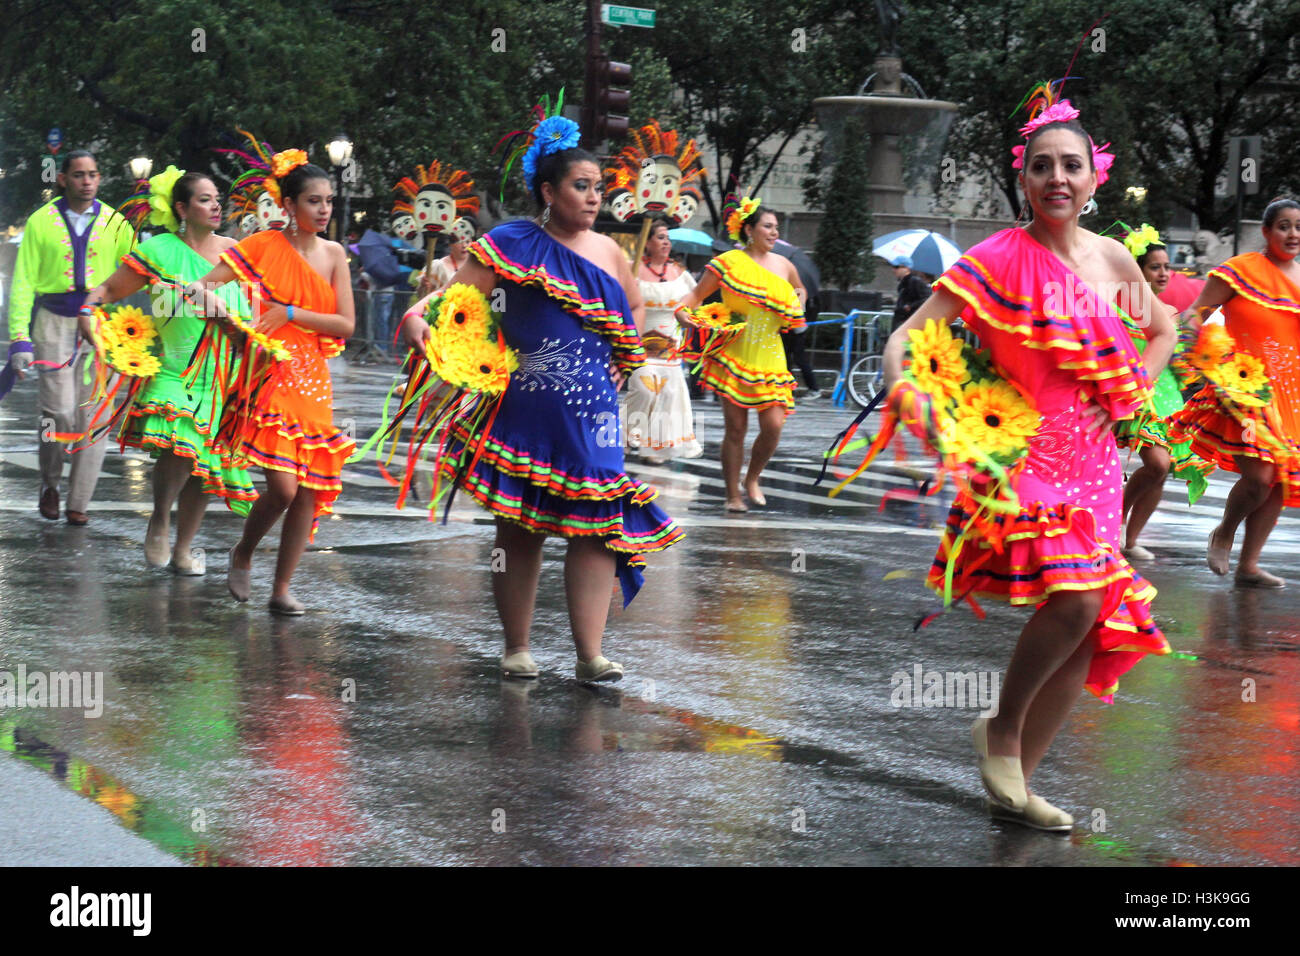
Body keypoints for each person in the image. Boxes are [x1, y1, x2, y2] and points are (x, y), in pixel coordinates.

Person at [884, 88, 1174, 831]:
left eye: (1071, 165)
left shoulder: (1111, 258)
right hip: (1023, 459)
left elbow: (1163, 327)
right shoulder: (998, 259)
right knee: (1077, 598)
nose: (1058, 178)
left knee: (1089, 616)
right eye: (1042, 166)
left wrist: (1135, 393)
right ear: (1025, 180)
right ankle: (1004, 727)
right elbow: (911, 337)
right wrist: (905, 391)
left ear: (1093, 177)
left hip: (1096, 467)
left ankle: (1019, 777)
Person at [401, 105, 683, 683]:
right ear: (549, 191)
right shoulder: (512, 240)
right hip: (525, 404)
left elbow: (631, 305)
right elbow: (456, 301)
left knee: (600, 524)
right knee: (521, 527)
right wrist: (417, 315)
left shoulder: (609, 252)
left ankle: (590, 655)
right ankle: (517, 648)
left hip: (596, 412)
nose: (594, 197)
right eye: (581, 187)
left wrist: (622, 359)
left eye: (599, 188)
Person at [184, 153, 355, 615]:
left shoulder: (335, 254)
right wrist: (210, 303)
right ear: (287, 203)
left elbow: (345, 325)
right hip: (269, 369)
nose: (323, 210)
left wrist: (293, 313)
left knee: (310, 488)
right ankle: (244, 550)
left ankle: (282, 587)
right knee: (283, 488)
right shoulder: (261, 244)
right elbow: (205, 285)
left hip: (313, 380)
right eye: (313, 201)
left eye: (328, 202)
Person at [78, 167, 256, 571]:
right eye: (205, 199)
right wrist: (88, 312)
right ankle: (159, 519)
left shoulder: (235, 250)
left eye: (217, 199)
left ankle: (184, 547)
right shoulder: (158, 249)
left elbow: (254, 313)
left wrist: (233, 323)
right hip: (174, 368)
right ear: (181, 207)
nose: (216, 206)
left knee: (205, 464)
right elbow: (107, 289)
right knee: (180, 441)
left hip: (224, 375)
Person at [1169, 197, 1300, 588]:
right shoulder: (1239, 271)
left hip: (1291, 395)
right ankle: (1225, 530)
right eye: (1283, 226)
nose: (1292, 234)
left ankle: (1249, 565)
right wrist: (1194, 356)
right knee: (1260, 476)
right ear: (1265, 231)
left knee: (1280, 478)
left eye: (1298, 226)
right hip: (1242, 389)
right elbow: (1195, 312)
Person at [4, 150, 134, 524]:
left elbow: (134, 275)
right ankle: (50, 482)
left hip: (102, 325)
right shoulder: (40, 222)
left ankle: (79, 503)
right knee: (56, 413)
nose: (88, 181)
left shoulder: (118, 224)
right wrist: (19, 339)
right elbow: (24, 282)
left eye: (93, 174)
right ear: (63, 179)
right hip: (53, 321)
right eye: (79, 175)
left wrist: (136, 334)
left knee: (96, 415)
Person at [674, 197, 806, 511]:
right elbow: (695, 293)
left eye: (776, 227)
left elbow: (799, 290)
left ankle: (753, 478)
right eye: (768, 226)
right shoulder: (729, 262)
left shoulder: (785, 266)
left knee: (773, 425)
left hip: (771, 357)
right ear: (749, 229)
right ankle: (733, 494)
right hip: (732, 353)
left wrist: (798, 299)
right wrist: (682, 312)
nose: (774, 233)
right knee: (736, 429)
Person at [1113, 225, 1208, 560]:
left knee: (1162, 471)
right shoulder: (1115, 310)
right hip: (1136, 394)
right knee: (1157, 464)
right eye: (1156, 267)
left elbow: (1179, 362)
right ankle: (1113, 524)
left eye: (1167, 266)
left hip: (1168, 397)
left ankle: (1130, 539)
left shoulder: (1168, 313)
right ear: (1136, 271)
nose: (1165, 273)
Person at [627, 216, 703, 463]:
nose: (666, 242)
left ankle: (656, 447)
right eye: (660, 237)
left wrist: (685, 315)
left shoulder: (679, 273)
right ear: (647, 243)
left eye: (668, 238)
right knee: (644, 390)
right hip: (639, 346)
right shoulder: (632, 268)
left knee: (668, 395)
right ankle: (626, 434)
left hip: (670, 349)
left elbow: (694, 301)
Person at [889, 254, 931, 332]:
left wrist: (910, 306)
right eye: (893, 267)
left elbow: (928, 298)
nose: (893, 270)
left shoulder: (915, 281)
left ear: (906, 268)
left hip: (908, 322)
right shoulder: (903, 283)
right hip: (901, 320)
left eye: (896, 267)